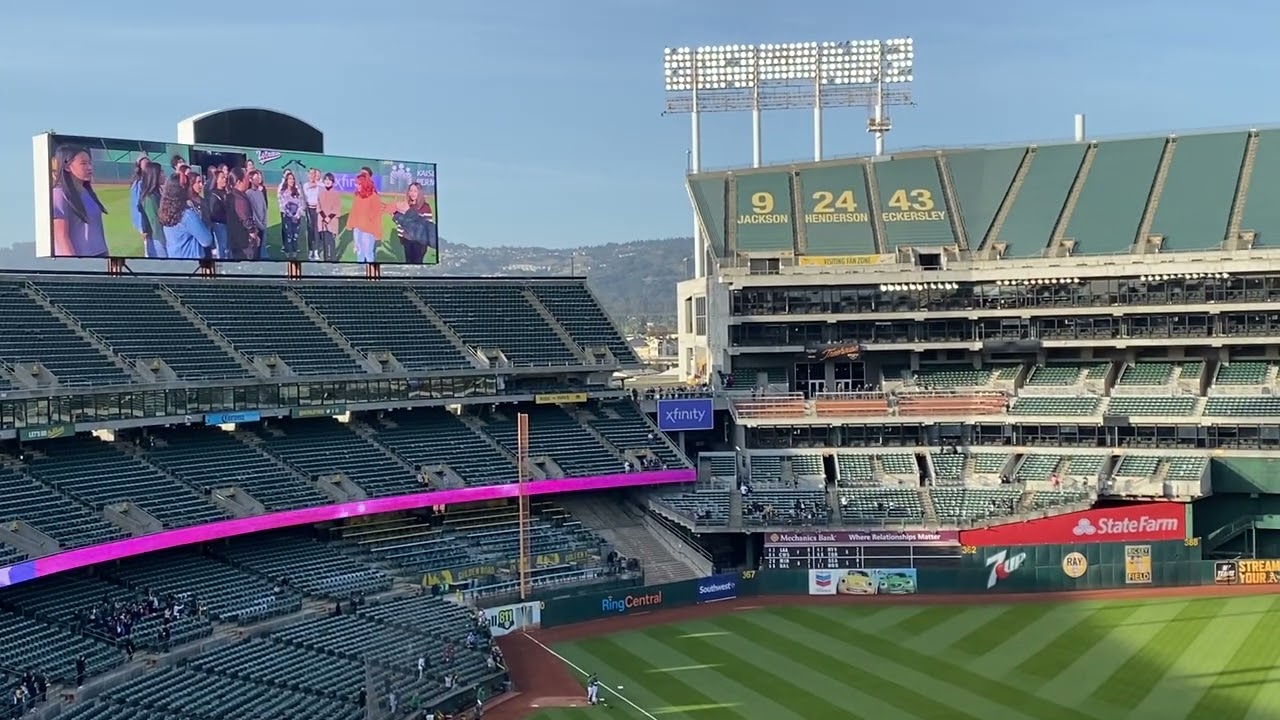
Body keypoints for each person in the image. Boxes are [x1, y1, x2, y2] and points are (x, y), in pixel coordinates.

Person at [50, 145, 109, 257]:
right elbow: (61, 237)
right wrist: (75, 265)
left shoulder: (87, 192)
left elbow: (96, 227)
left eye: (90, 163)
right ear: (67, 167)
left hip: (99, 255)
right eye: (84, 163)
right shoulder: (59, 194)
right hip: (81, 260)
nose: (89, 167)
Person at [159, 175, 213, 259]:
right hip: (191, 260)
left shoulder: (165, 212)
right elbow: (206, 240)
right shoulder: (187, 215)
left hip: (174, 258)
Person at [344, 167, 387, 263]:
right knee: (359, 253)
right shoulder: (357, 196)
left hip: (368, 231)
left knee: (368, 254)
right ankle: (361, 275)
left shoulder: (374, 197)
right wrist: (350, 226)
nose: (356, 186)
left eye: (358, 184)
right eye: (356, 183)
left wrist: (377, 234)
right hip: (357, 229)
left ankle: (371, 276)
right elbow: (354, 212)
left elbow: (376, 217)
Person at [391, 181, 437, 264]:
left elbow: (426, 226)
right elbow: (402, 223)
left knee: (417, 264)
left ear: (420, 192)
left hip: (419, 243)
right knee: (408, 263)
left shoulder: (425, 207)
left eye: (415, 191)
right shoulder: (406, 205)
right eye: (411, 190)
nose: (412, 193)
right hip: (407, 241)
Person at [225, 168, 260, 260]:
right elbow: (246, 220)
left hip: (236, 241)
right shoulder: (239, 199)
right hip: (244, 244)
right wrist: (254, 237)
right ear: (239, 182)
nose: (249, 181)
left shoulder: (232, 195)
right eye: (247, 178)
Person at [137, 162, 166, 258]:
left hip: (158, 238)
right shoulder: (150, 198)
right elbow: (155, 222)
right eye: (161, 172)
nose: (164, 175)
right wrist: (165, 241)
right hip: (157, 240)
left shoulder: (157, 194)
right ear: (154, 175)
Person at [277, 170, 305, 260]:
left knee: (295, 236)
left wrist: (297, 215)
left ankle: (294, 252)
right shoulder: (283, 192)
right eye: (289, 179)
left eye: (293, 179)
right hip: (288, 218)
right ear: (286, 180)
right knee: (288, 235)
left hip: (297, 218)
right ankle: (288, 252)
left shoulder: (297, 191)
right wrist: (291, 216)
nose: (291, 180)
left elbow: (301, 204)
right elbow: (283, 206)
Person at [316, 172, 342, 262]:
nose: (327, 182)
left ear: (332, 182)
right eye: (326, 179)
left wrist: (329, 218)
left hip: (332, 222)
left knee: (331, 242)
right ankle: (326, 259)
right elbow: (318, 207)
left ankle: (333, 260)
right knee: (324, 243)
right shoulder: (321, 192)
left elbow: (336, 208)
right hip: (322, 221)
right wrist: (324, 217)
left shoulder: (335, 193)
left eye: (329, 180)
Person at [206, 170, 231, 260]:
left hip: (228, 224)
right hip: (219, 225)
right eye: (222, 177)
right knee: (222, 248)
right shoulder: (213, 194)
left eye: (225, 177)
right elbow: (213, 213)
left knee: (228, 249)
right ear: (216, 180)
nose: (225, 179)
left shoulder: (227, 192)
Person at [246, 170, 269, 260]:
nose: (258, 180)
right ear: (251, 180)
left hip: (262, 225)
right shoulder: (248, 193)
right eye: (256, 178)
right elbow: (252, 211)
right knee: (254, 249)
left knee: (259, 250)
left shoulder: (260, 193)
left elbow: (264, 208)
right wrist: (259, 224)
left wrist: (264, 222)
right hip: (255, 227)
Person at [302, 168, 323, 261]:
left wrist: (317, 182)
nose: (312, 175)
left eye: (314, 174)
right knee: (310, 231)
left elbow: (324, 186)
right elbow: (307, 190)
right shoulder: (305, 185)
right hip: (309, 210)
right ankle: (310, 250)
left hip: (317, 210)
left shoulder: (319, 184)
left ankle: (316, 251)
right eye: (310, 174)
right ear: (308, 175)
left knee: (317, 231)